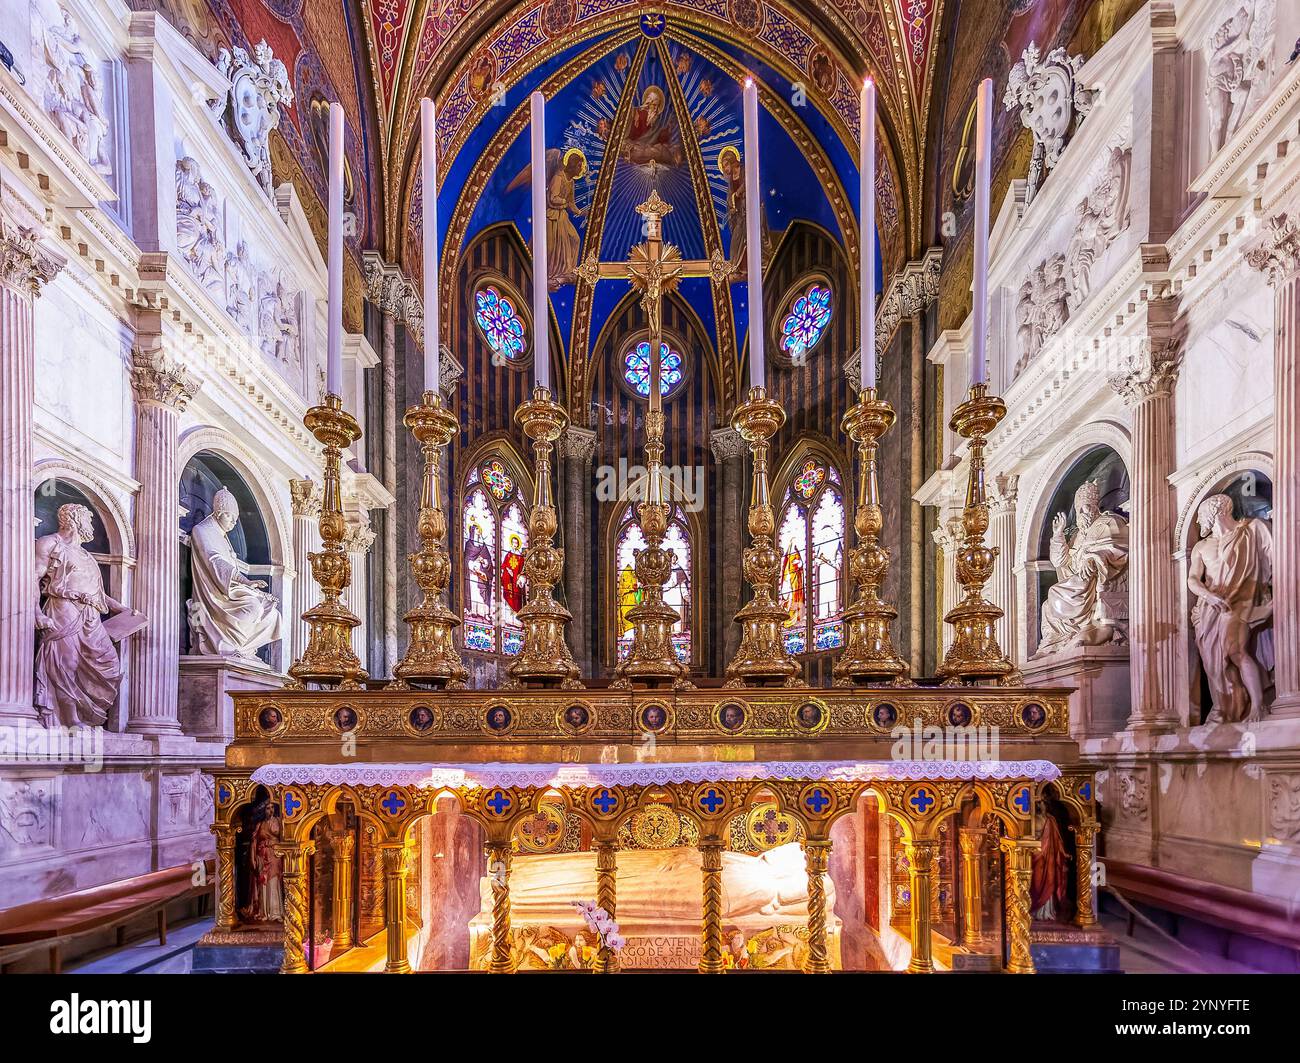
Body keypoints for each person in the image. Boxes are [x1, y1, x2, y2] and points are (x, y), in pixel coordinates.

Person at [34, 503, 144, 727]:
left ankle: (87, 716)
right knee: (66, 665)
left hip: (92, 615)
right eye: (88, 519)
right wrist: (37, 613)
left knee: (110, 666)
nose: (91, 525)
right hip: (64, 608)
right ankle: (70, 719)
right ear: (75, 518)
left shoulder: (86, 555)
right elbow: (31, 579)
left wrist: (120, 610)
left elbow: (99, 594)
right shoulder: (50, 544)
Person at [1188, 493, 1274, 722]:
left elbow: (1275, 560)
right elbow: (1193, 579)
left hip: (1239, 603)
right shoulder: (1201, 546)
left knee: (1237, 651)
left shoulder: (1250, 531)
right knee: (1212, 664)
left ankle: (1258, 705)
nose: (1198, 522)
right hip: (1209, 609)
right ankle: (1222, 708)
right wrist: (1208, 595)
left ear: (1215, 511)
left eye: (1201, 516)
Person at [187, 486, 283, 659]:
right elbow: (214, 562)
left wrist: (251, 588)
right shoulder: (203, 531)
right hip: (213, 597)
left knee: (273, 615)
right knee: (253, 607)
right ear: (218, 513)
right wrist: (245, 581)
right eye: (230, 516)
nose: (233, 522)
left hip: (229, 591)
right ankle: (226, 645)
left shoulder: (223, 537)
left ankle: (243, 649)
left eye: (236, 518)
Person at [1035, 481, 1129, 656]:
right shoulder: (1077, 537)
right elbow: (1060, 562)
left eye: (1086, 508)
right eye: (1080, 510)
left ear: (1095, 507)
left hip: (1096, 579)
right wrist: (1058, 535)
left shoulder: (1109, 522)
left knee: (1055, 592)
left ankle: (1085, 631)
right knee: (1047, 606)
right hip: (1079, 581)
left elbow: (1120, 548)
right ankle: (1052, 643)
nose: (1083, 513)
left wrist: (1093, 559)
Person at [247, 802, 284, 923]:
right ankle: (264, 912)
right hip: (262, 855)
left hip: (274, 855)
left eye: (272, 807)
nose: (270, 810)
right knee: (263, 882)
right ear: (264, 810)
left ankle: (276, 912)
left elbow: (284, 838)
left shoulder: (279, 821)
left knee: (274, 881)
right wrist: (253, 858)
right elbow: (254, 842)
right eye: (268, 808)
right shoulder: (260, 824)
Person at [1030, 813, 1070, 922]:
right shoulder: (1030, 817)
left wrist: (1062, 853)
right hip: (1034, 855)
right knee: (1036, 883)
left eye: (1042, 801)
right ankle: (1033, 910)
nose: (1040, 803)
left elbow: (1057, 840)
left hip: (1049, 858)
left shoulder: (1050, 820)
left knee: (1049, 881)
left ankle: (1046, 911)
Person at [501, 533, 526, 616]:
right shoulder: (508, 554)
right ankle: (508, 612)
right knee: (508, 594)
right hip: (508, 579)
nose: (515, 544)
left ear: (518, 544)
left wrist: (516, 576)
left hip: (516, 580)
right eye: (513, 543)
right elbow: (504, 565)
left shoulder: (521, 557)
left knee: (517, 596)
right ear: (511, 543)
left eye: (516, 543)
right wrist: (508, 571)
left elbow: (523, 570)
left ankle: (517, 612)